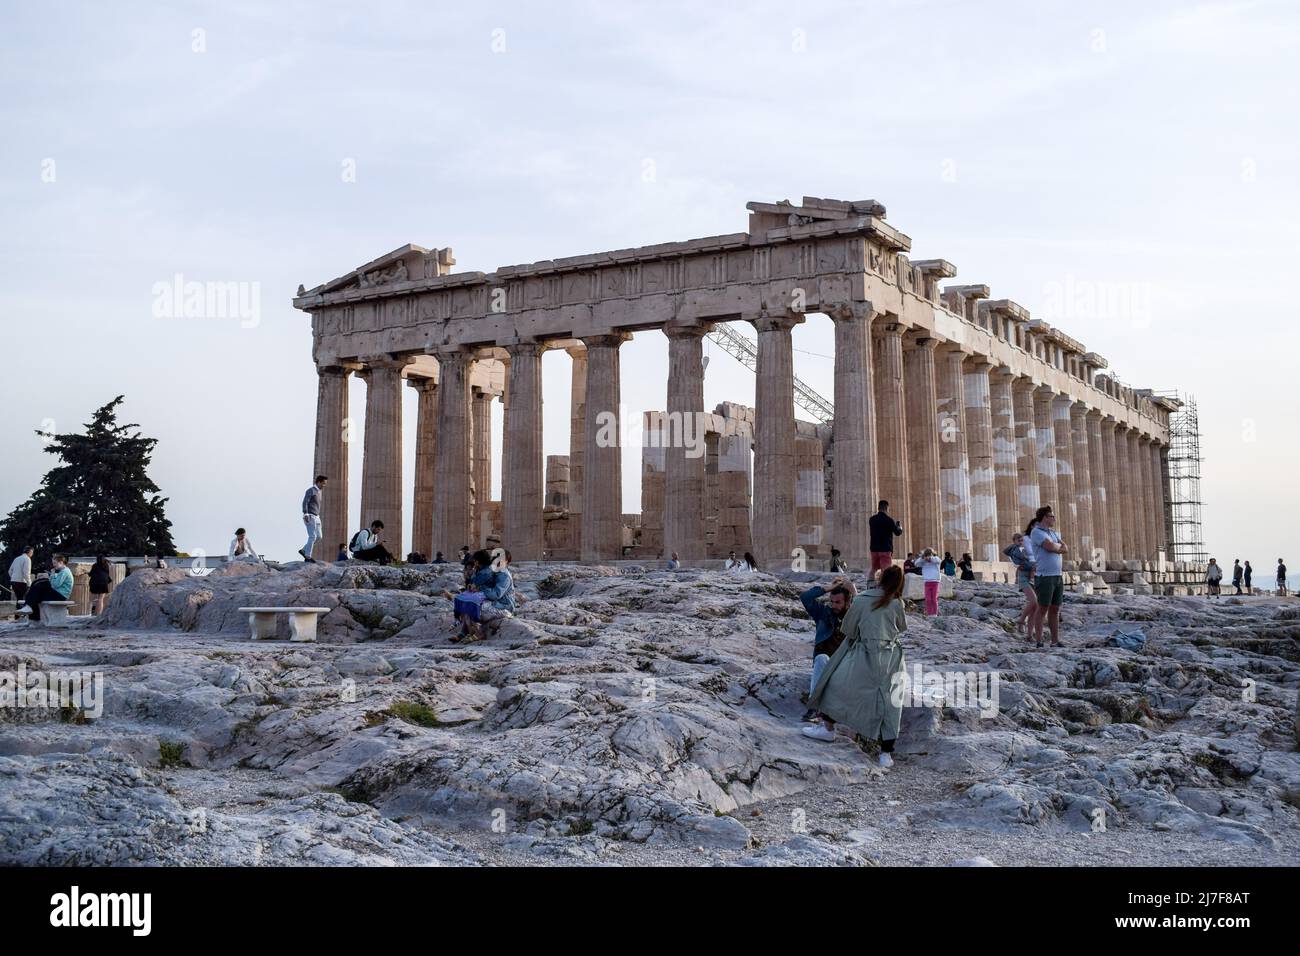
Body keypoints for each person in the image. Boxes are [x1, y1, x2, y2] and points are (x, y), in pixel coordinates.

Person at [805, 565, 908, 769]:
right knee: (891, 701)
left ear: (880, 580)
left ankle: (828, 728)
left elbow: (849, 628)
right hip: (890, 657)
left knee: (836, 684)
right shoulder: (897, 603)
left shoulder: (861, 600)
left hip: (864, 653)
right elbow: (902, 627)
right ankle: (886, 753)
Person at [797, 577, 856, 726]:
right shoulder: (823, 613)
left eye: (838, 602)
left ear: (847, 603)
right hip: (824, 662)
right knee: (822, 658)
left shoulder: (853, 615)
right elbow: (805, 597)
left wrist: (854, 592)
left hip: (845, 664)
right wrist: (829, 588)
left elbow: (868, 611)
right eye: (832, 601)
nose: (834, 605)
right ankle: (814, 708)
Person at [1028, 506, 1066, 648]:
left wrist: (1057, 547)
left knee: (1055, 608)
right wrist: (1058, 547)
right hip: (1044, 576)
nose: (1054, 519)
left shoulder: (1053, 533)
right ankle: (1039, 640)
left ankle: (1055, 641)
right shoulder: (1036, 532)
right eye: (1051, 516)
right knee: (1042, 607)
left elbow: (1065, 548)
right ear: (1044, 517)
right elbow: (1050, 547)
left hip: (1057, 575)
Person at [18, 553, 74, 622]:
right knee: (37, 584)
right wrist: (49, 577)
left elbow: (55, 584)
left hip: (60, 595)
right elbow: (54, 583)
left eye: (55, 563)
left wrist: (52, 575)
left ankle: (30, 611)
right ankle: (30, 612)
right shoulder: (62, 571)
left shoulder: (64, 572)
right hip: (57, 593)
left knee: (39, 588)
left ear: (61, 562)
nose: (53, 565)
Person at [1003, 533, 1037, 636]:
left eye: (1022, 540)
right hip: (1023, 577)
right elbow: (1015, 562)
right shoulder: (1014, 550)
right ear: (1014, 541)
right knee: (1033, 601)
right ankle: (1021, 620)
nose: (1021, 542)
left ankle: (1029, 634)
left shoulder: (1026, 549)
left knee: (1034, 607)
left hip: (1034, 576)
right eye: (1018, 540)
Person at [868, 501, 902, 576]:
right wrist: (899, 528)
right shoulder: (889, 520)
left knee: (874, 568)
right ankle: (884, 586)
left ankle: (870, 583)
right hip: (885, 548)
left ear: (878, 508)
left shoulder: (872, 519)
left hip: (874, 548)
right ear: (886, 508)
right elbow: (897, 533)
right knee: (885, 569)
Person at [299, 475, 328, 562]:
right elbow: (305, 502)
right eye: (323, 483)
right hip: (310, 515)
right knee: (312, 536)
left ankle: (304, 550)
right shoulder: (311, 490)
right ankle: (308, 556)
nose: (324, 485)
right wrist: (305, 514)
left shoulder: (319, 491)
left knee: (319, 536)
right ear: (319, 482)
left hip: (317, 516)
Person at [918, 547, 942, 616]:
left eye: (929, 555)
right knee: (928, 599)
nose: (928, 557)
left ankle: (935, 614)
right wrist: (922, 558)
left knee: (934, 599)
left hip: (935, 581)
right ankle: (929, 614)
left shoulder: (936, 559)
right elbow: (916, 563)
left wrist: (930, 558)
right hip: (927, 582)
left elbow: (938, 560)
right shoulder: (923, 561)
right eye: (926, 555)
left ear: (932, 554)